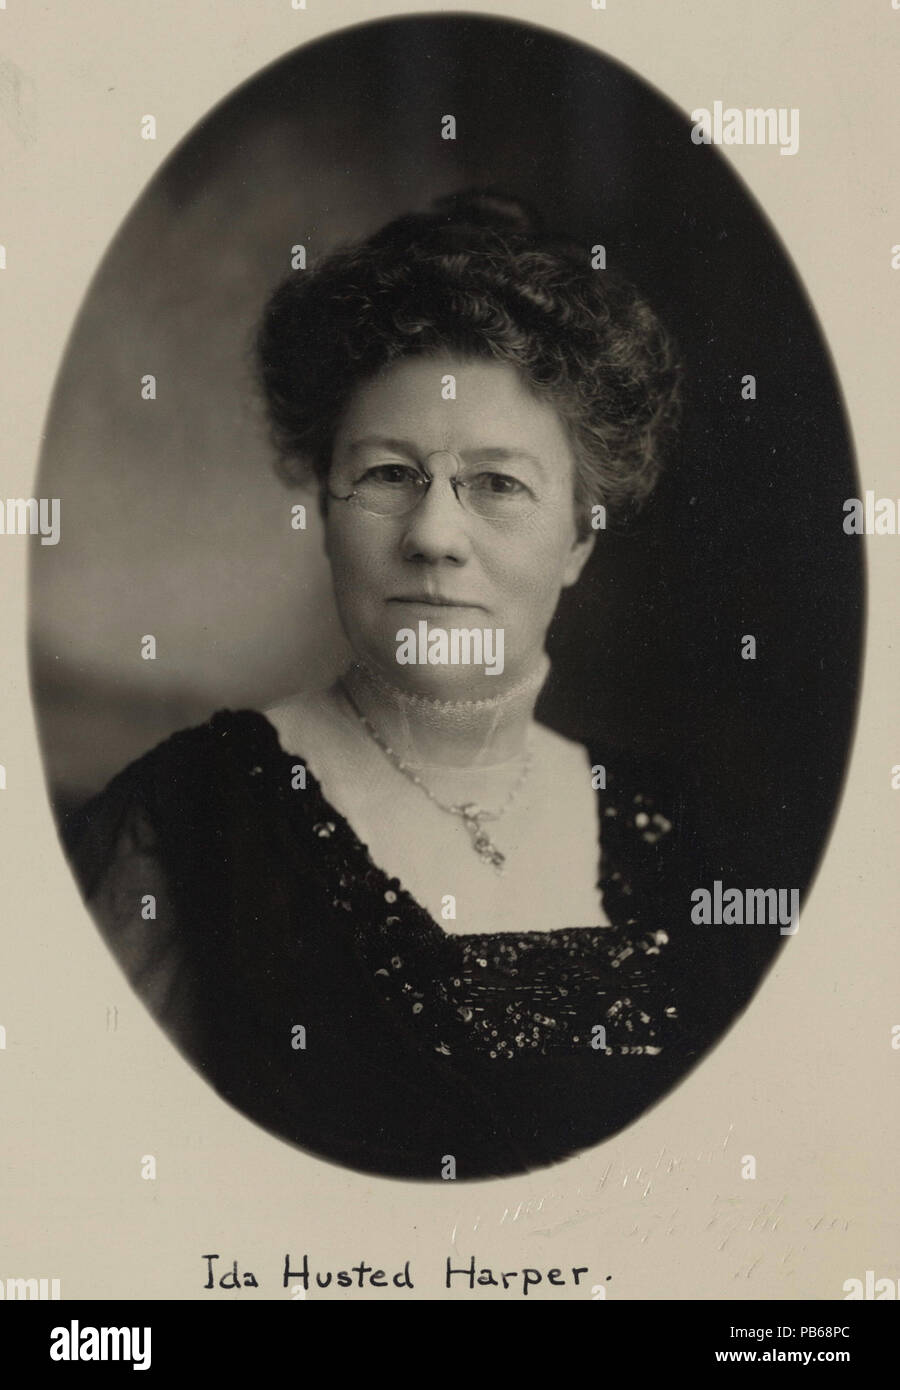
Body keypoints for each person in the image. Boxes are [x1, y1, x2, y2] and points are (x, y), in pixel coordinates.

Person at [62, 190, 733, 1179]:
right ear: (323, 504)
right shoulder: (184, 824)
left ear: (581, 539)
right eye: (386, 475)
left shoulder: (676, 834)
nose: (431, 535)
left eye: (498, 484)